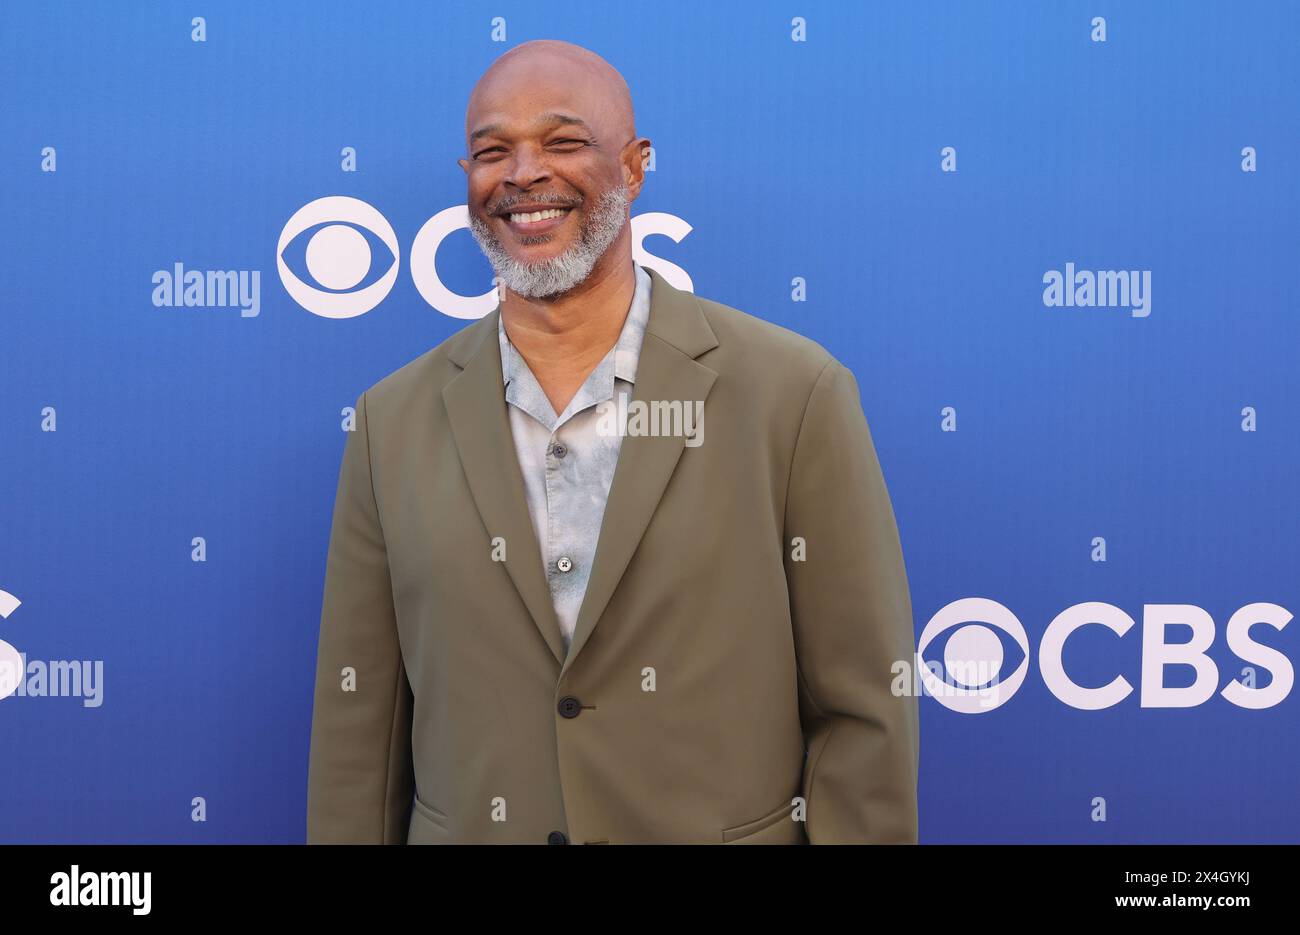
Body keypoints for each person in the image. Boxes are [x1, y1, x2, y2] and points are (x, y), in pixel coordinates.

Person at [306, 38, 918, 844]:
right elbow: (361, 735)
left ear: (634, 167)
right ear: (469, 184)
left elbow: (864, 713)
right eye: (494, 152)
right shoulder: (390, 422)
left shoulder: (794, 396)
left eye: (562, 142)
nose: (523, 174)